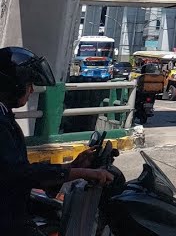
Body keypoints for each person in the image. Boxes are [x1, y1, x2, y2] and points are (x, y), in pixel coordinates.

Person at [1, 46, 113, 235]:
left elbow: (17, 169)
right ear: (13, 83)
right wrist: (81, 172)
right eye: (28, 83)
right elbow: (19, 174)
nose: (31, 90)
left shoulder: (5, 115)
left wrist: (71, 167)